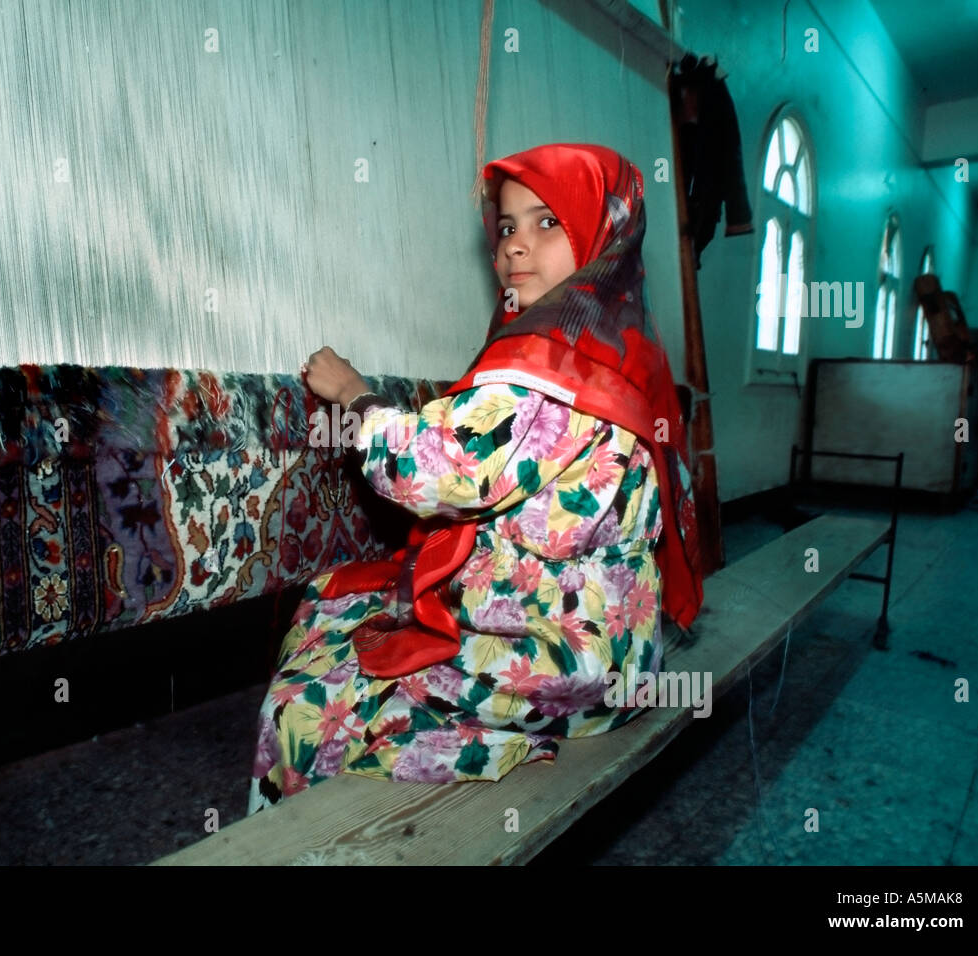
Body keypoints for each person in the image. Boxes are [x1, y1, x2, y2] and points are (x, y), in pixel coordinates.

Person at [248, 143, 703, 814]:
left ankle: (307, 843)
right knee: (340, 608)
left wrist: (356, 395)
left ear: (601, 236)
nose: (518, 245)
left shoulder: (553, 369)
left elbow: (430, 470)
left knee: (308, 695)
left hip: (555, 655)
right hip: (623, 650)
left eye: (548, 222)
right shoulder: (626, 347)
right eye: (507, 227)